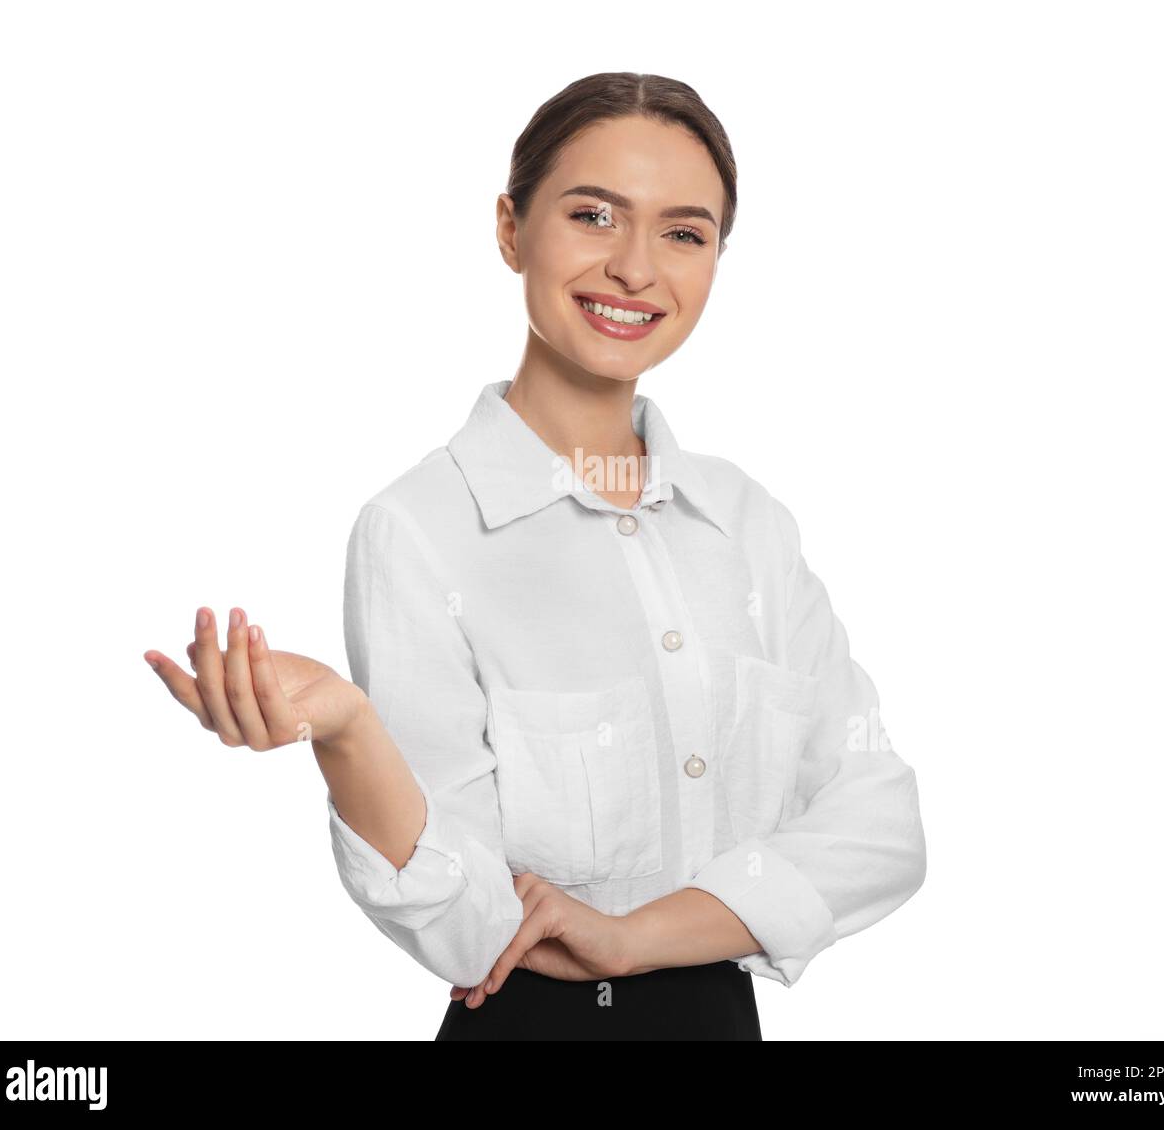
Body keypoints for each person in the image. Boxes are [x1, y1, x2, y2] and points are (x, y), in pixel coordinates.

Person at [143, 72, 928, 1042]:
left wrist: (633, 934)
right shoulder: (421, 528)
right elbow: (470, 928)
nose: (636, 267)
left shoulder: (749, 525)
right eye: (594, 213)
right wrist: (350, 730)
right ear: (511, 228)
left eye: (683, 232)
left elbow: (881, 821)